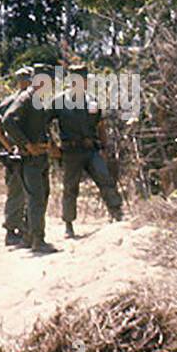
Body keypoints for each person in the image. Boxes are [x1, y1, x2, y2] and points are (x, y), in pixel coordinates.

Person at [50, 63, 124, 238]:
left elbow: (100, 125)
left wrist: (105, 147)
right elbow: (45, 124)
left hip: (91, 150)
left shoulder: (92, 101)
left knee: (105, 179)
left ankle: (116, 213)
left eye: (83, 79)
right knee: (70, 187)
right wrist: (52, 146)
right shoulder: (59, 101)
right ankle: (68, 224)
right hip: (70, 151)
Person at [1, 71, 59, 254]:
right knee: (35, 198)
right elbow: (7, 120)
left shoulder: (39, 99)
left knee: (42, 196)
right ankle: (38, 240)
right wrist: (26, 145)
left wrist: (50, 145)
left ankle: (28, 236)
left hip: (41, 157)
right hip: (30, 158)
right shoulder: (27, 98)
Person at [0, 67, 32, 247]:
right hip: (19, 153)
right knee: (18, 191)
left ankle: (22, 229)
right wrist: (11, 146)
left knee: (23, 191)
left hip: (23, 151)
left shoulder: (10, 101)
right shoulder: (20, 100)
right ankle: (12, 230)